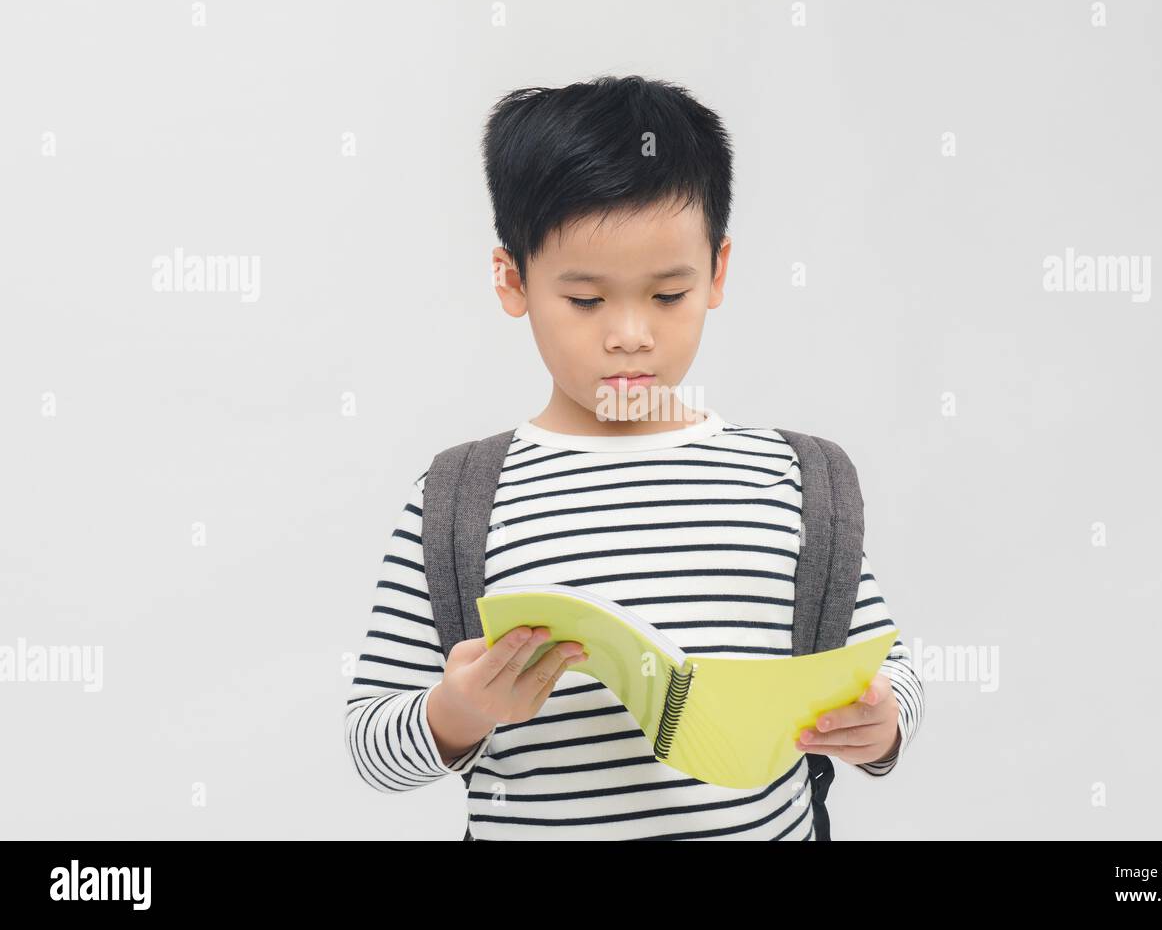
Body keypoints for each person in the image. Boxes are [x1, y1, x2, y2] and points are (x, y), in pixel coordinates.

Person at [344, 75, 923, 839]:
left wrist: (880, 725)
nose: (629, 334)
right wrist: (457, 712)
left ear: (716, 273)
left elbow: (892, 674)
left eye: (667, 295)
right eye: (586, 300)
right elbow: (370, 741)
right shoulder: (461, 497)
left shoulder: (789, 479)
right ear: (512, 280)